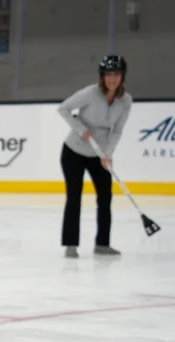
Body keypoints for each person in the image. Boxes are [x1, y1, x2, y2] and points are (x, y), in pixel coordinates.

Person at [57, 55, 133, 258]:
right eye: (108, 74)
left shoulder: (125, 101)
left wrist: (107, 154)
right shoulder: (90, 94)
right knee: (74, 197)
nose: (112, 79)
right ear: (102, 76)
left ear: (122, 76)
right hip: (73, 151)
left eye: (116, 74)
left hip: (98, 154)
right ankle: (71, 244)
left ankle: (102, 244)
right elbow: (63, 108)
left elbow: (117, 131)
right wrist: (81, 129)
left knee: (105, 197)